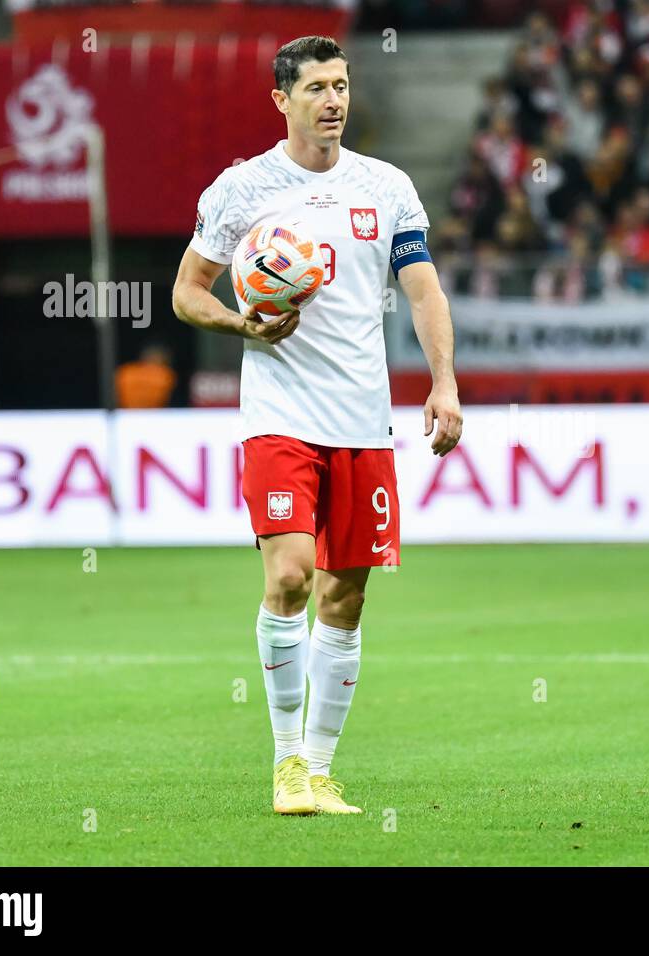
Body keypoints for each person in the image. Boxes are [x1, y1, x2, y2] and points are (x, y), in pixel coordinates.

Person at [172, 36, 462, 815]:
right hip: (279, 418)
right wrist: (242, 323)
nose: (334, 100)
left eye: (341, 85)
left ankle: (324, 770)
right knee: (291, 576)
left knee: (346, 598)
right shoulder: (243, 189)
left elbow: (425, 292)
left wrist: (442, 382)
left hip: (363, 423)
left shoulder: (388, 187)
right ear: (282, 100)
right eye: (317, 88)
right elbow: (186, 293)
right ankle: (287, 765)